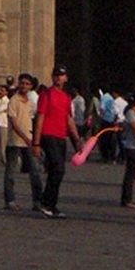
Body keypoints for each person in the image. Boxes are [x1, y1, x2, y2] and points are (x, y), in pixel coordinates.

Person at [34, 66, 83, 218]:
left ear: (66, 78)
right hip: (48, 135)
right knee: (58, 168)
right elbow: (40, 118)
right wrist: (36, 143)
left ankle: (51, 204)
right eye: (56, 75)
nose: (58, 78)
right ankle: (45, 202)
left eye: (61, 75)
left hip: (61, 136)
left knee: (58, 172)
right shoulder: (46, 94)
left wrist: (77, 139)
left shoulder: (67, 97)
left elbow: (69, 120)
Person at [3, 72, 44, 210]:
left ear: (31, 86)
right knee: (11, 173)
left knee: (35, 172)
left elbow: (34, 118)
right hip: (15, 142)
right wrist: (26, 137)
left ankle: (37, 201)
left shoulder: (30, 101)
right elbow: (14, 123)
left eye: (27, 84)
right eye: (22, 83)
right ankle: (10, 200)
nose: (24, 86)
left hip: (29, 141)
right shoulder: (14, 100)